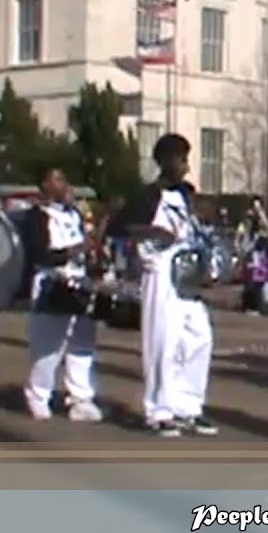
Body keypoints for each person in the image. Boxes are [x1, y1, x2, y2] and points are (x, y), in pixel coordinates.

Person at [115, 134, 218, 437]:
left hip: (187, 273)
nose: (186, 166)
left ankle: (188, 407)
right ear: (165, 162)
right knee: (163, 343)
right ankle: (158, 410)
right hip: (160, 272)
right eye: (181, 159)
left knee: (200, 339)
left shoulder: (185, 194)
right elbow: (121, 227)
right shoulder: (147, 196)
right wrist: (154, 231)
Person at [23, 166, 104, 423]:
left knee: (82, 342)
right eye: (57, 179)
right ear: (44, 185)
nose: (64, 184)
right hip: (51, 281)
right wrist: (75, 250)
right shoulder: (36, 217)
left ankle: (80, 398)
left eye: (63, 178)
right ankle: (38, 395)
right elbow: (39, 254)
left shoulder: (73, 215)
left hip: (78, 281)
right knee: (49, 346)